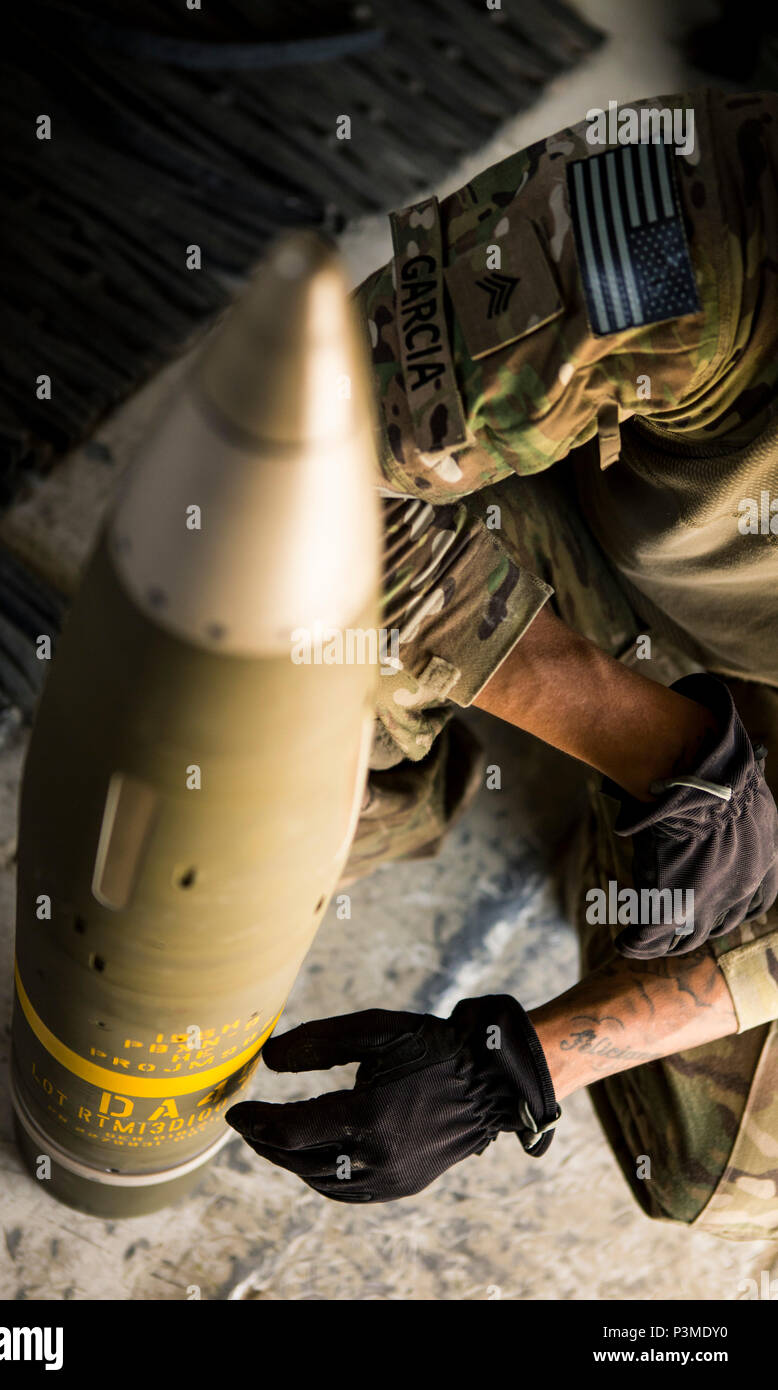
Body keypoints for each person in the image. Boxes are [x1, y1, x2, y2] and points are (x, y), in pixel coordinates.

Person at [227, 89, 778, 1240]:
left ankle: (649, 821)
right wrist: (649, 741)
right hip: (561, 532)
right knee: (270, 623)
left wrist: (517, 1062)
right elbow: (287, 443)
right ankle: (373, 792)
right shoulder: (702, 237)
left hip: (735, 677)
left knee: (720, 1169)